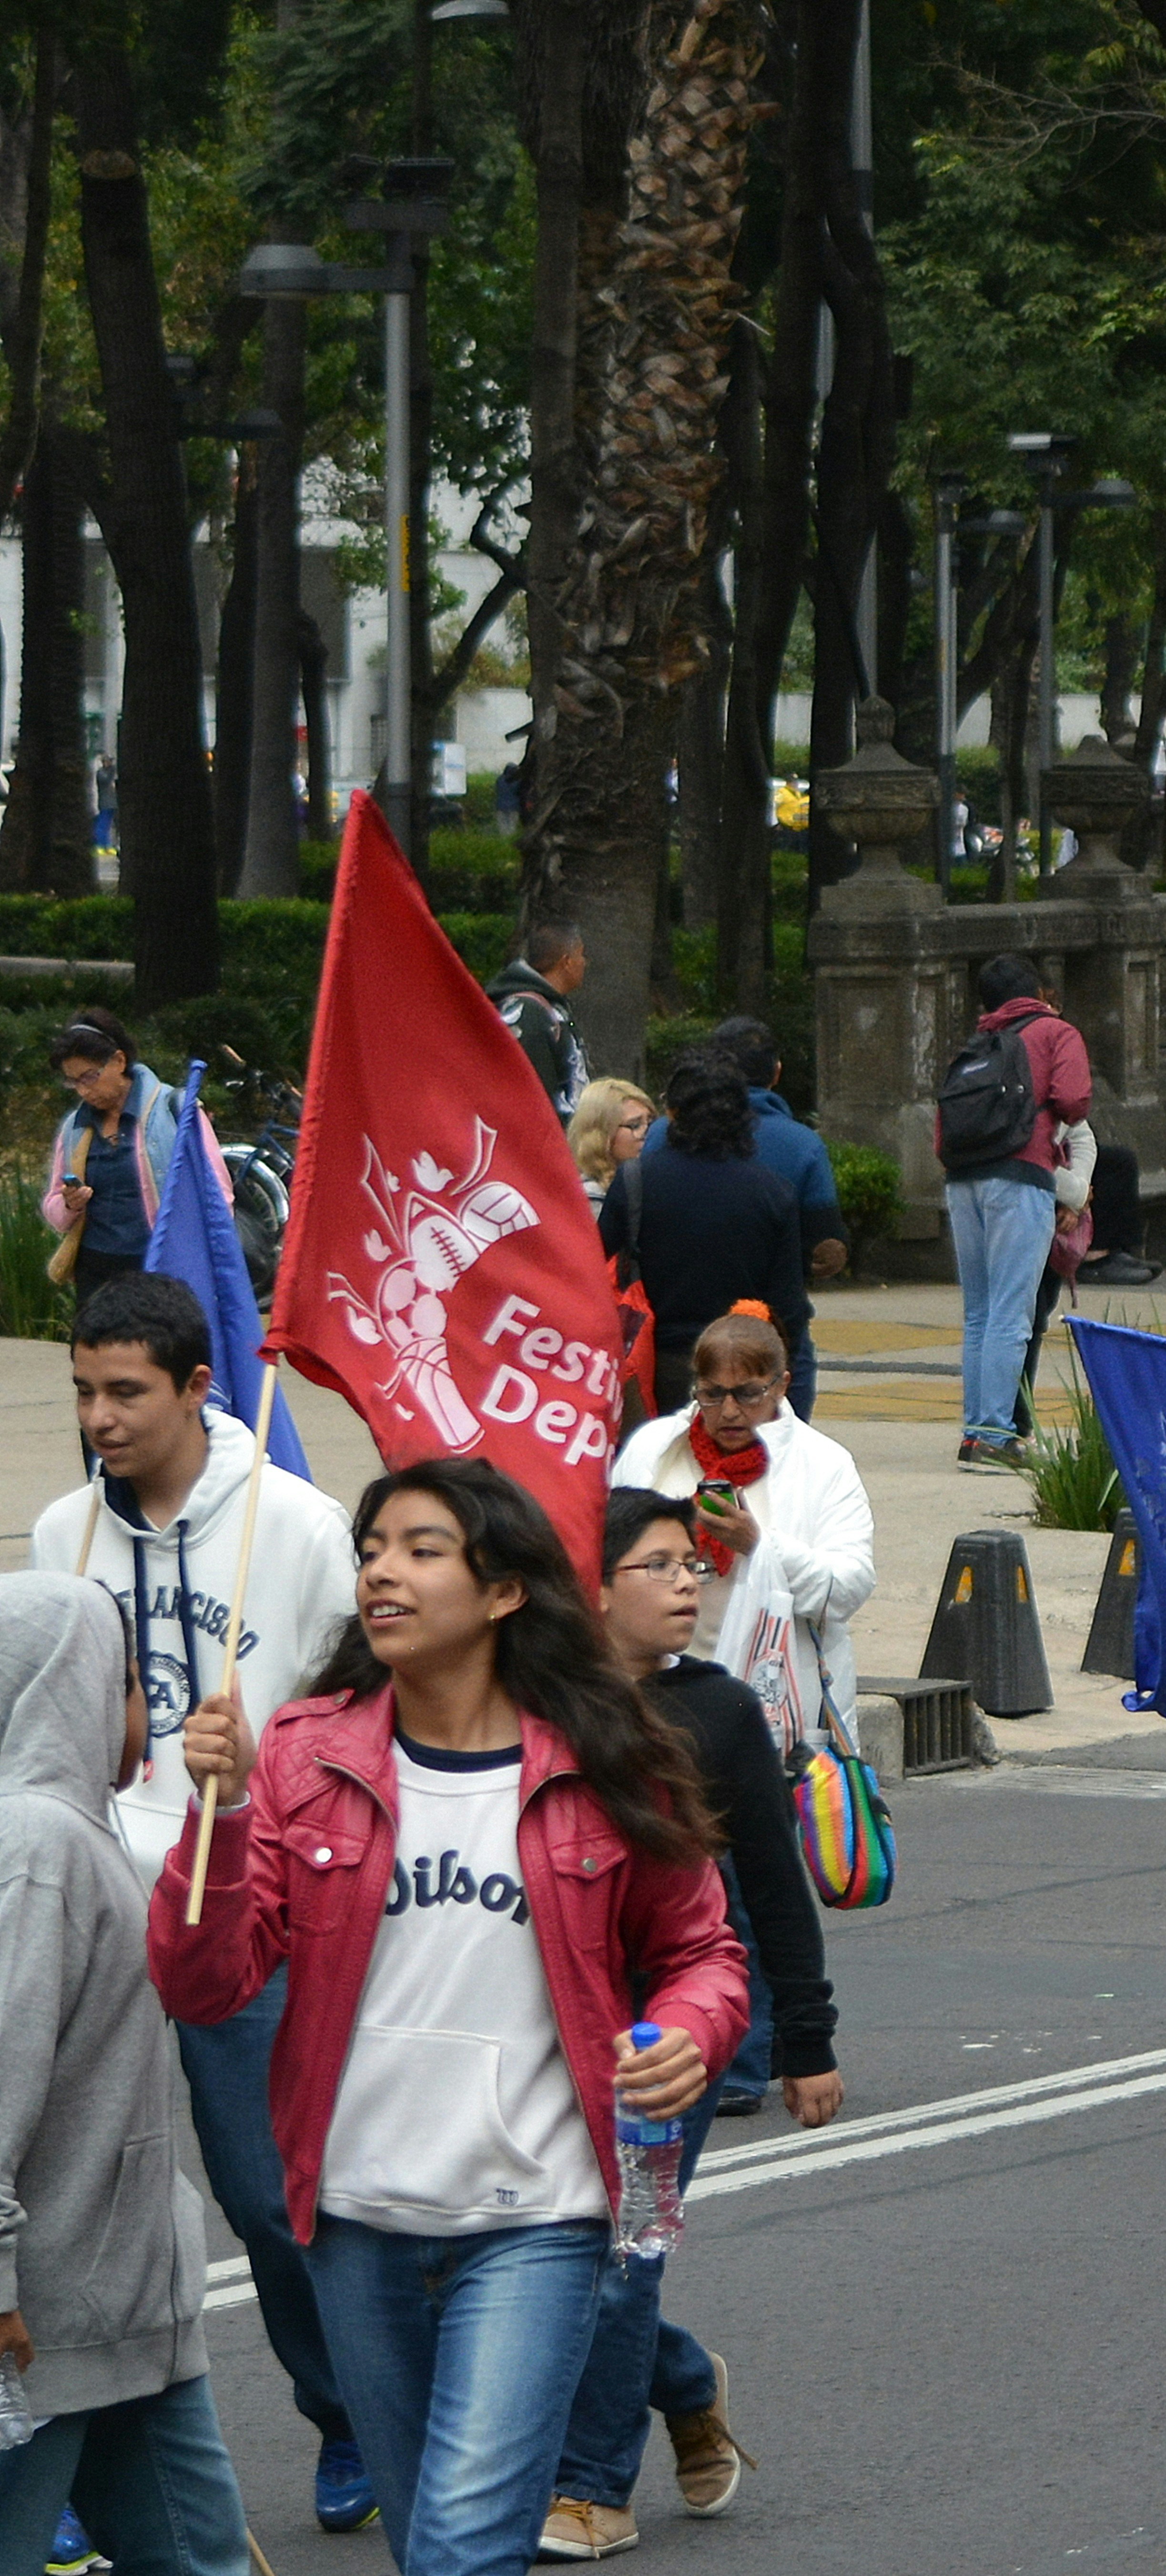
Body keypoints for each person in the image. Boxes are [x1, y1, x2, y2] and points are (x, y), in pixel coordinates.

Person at [149, 1458, 749, 2576]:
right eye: (373, 1548)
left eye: (422, 1550)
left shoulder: (603, 1757)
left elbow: (701, 1952)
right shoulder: (299, 1754)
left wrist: (688, 2033)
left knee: (466, 2547)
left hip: (540, 2217)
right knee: (431, 2546)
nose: (383, 1569)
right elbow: (205, 1984)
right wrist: (220, 1819)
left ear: (504, 1590)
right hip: (357, 2222)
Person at [34, 1276, 376, 2531]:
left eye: (126, 1390)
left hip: (240, 1897)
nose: (100, 1416)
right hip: (91, 1902)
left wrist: (266, 1771)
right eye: (84, 1390)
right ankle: (63, 2464)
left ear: (195, 1386)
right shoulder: (62, 1526)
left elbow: (360, 1708)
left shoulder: (294, 1523)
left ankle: (349, 2414)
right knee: (74, 2204)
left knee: (263, 2193)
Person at [541, 1491, 840, 2561]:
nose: (688, 1584)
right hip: (546, 2022)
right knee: (532, 2248)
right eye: (659, 1564)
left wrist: (806, 2038)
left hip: (674, 2037)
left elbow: (769, 1878)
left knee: (622, 2252)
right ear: (594, 1585)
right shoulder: (532, 1707)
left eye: (694, 1565)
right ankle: (682, 2379)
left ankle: (591, 2488)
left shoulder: (715, 1710)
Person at [0, 1572, 264, 2576]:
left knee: (201, 2557)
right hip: (43, 2324)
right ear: (59, 1688)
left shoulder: (75, 1825)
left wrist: (227, 1805)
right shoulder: (36, 1843)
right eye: (122, 1683)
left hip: (127, 2310)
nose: (144, 1709)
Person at [612, 1305, 878, 1765]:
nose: (730, 1412)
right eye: (713, 1395)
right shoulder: (653, 1451)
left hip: (778, 1714)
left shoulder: (824, 1465)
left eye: (749, 1394)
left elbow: (848, 1588)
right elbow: (607, 1562)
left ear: (782, 1385)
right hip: (657, 1702)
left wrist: (759, 1546)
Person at [938, 956, 1096, 1469]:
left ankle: (975, 1430)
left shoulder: (976, 1044)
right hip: (1020, 1174)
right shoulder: (1055, 1031)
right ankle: (993, 1435)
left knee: (980, 1312)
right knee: (1012, 1310)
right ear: (1038, 992)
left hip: (963, 1179)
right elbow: (1073, 1099)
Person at [600, 1052, 814, 1423]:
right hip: (743, 1369)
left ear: (673, 1114)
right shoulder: (774, 1192)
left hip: (655, 1368)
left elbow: (593, 1273)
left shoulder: (636, 1182)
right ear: (743, 1116)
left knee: (659, 1472)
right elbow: (788, 1308)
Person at [688, 1020, 850, 1420]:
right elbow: (827, 1251)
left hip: (679, 1331)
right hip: (772, 1327)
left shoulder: (664, 1139)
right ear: (777, 1072)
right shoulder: (802, 1146)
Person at [41, 1014, 174, 1304]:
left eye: (90, 1076)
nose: (83, 1090)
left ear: (119, 1061)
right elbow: (52, 1204)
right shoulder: (75, 1127)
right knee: (92, 1347)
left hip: (159, 1269)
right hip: (95, 1271)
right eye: (73, 1082)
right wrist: (69, 1204)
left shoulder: (173, 1111)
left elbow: (218, 1195)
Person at [487, 923, 588, 1116]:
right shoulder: (528, 1015)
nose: (585, 962)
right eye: (581, 954)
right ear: (566, 962)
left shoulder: (552, 1009)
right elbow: (534, 1093)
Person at [564, 1076, 653, 1212]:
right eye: (635, 1125)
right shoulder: (589, 1201)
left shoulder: (651, 1182)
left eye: (651, 1123)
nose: (647, 1133)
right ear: (602, 1136)